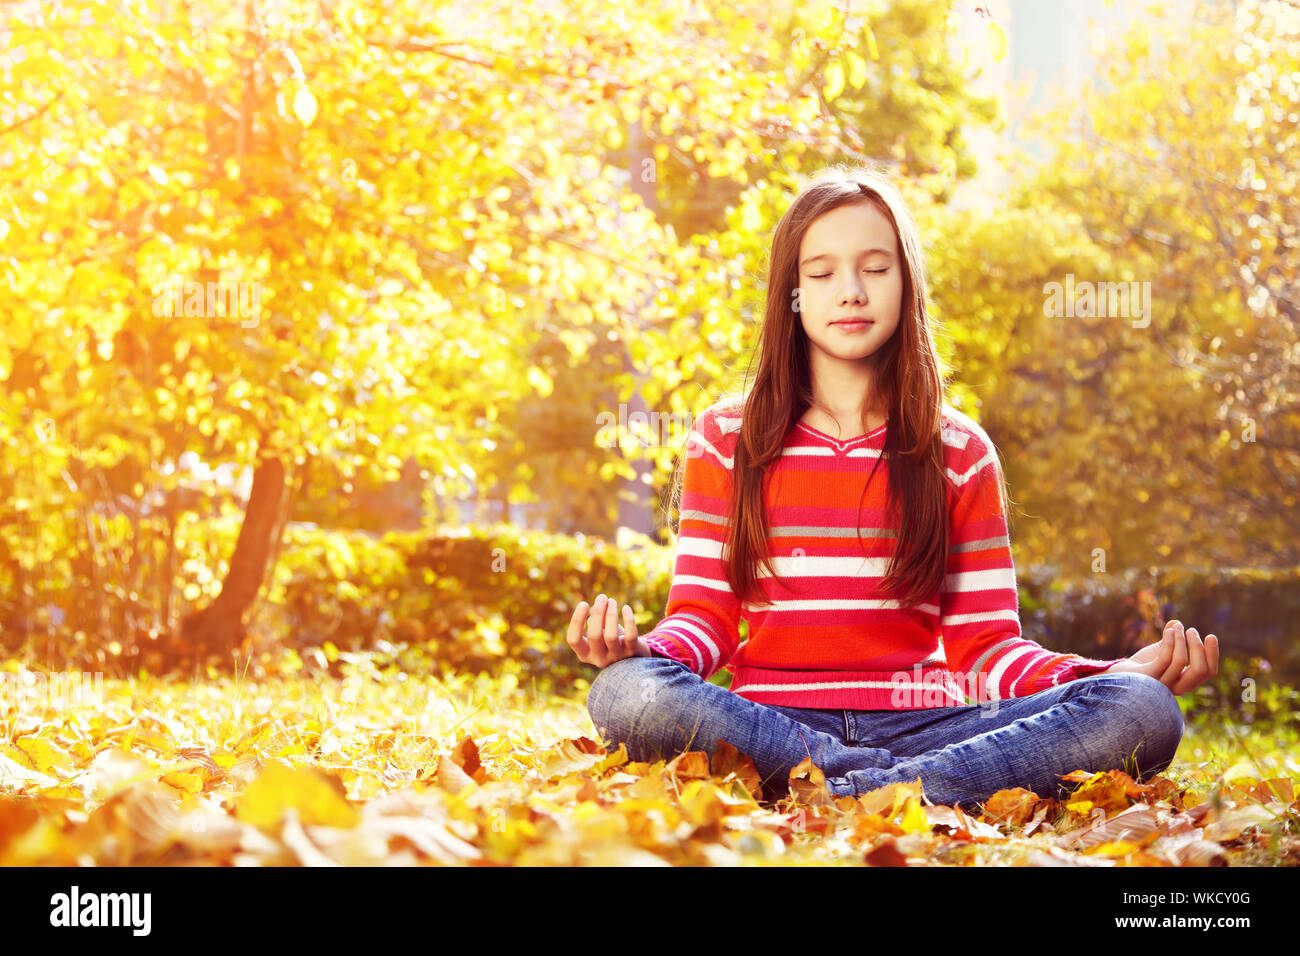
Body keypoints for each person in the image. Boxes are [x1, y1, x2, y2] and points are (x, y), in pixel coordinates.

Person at [568, 163, 1219, 810]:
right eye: (821, 273)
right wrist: (640, 651)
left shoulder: (960, 452)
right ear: (789, 294)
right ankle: (900, 791)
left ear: (906, 284)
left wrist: (1106, 675)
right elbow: (705, 623)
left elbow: (987, 650)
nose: (850, 291)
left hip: (932, 730)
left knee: (1142, 709)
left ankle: (852, 787)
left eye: (874, 269)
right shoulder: (724, 438)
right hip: (770, 729)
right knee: (627, 693)